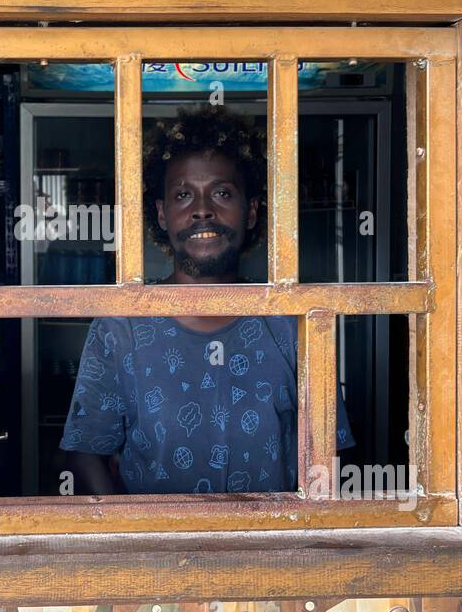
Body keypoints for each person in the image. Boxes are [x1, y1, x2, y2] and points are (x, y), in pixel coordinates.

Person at [61, 104, 355, 495]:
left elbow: (330, 453)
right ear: (163, 215)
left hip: (271, 550)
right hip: (156, 551)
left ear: (250, 212)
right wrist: (132, 542)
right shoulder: (122, 325)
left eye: (221, 192)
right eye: (184, 195)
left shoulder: (293, 323)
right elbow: (86, 451)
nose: (202, 210)